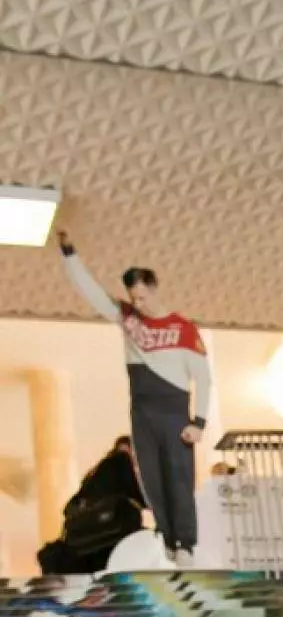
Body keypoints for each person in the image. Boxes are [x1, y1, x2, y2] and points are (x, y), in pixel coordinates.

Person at [55, 232, 211, 565]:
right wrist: (70, 254)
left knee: (178, 478)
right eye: (133, 298)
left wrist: (199, 421)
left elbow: (204, 377)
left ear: (154, 289)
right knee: (152, 480)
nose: (138, 305)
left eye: (142, 297)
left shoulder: (184, 328)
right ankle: (168, 539)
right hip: (142, 409)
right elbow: (91, 291)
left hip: (174, 408)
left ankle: (185, 543)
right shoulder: (128, 319)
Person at [36, 435, 145, 574]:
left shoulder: (94, 475)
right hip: (112, 538)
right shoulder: (120, 461)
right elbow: (147, 496)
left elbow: (70, 507)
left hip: (86, 546)